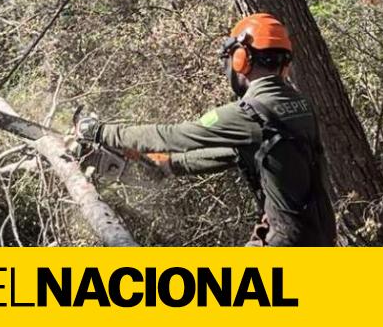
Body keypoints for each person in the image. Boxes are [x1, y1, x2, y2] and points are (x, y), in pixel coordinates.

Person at [74, 13, 337, 246]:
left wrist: (100, 132)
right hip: (317, 235)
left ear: (240, 59)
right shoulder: (298, 105)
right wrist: (170, 165)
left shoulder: (249, 114)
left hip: (289, 243)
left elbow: (172, 135)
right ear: (285, 63)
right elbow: (236, 154)